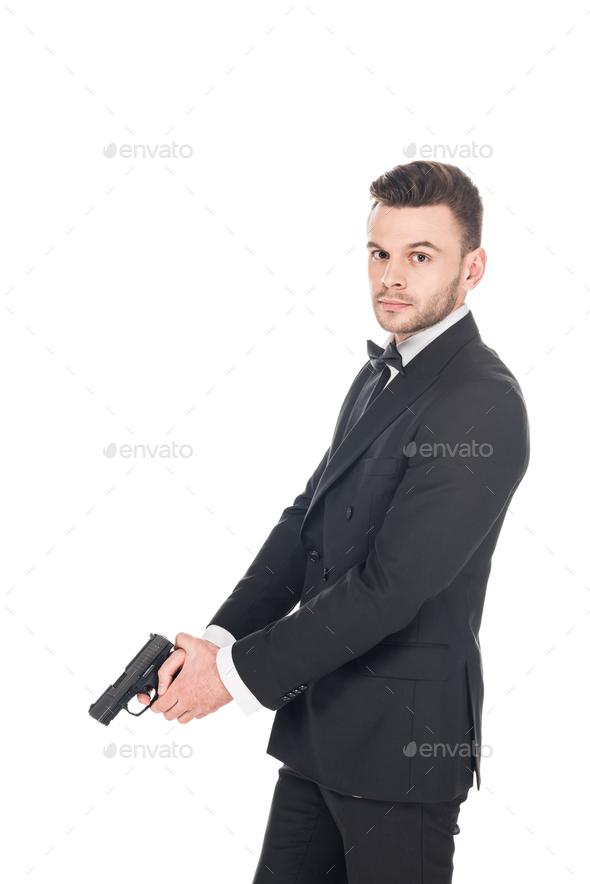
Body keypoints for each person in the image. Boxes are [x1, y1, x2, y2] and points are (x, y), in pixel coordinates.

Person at [138, 160, 530, 883]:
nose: (392, 276)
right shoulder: (380, 374)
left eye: (420, 256)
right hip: (319, 730)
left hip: (401, 751)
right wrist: (219, 638)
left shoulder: (483, 402)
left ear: (473, 269)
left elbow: (388, 587)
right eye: (380, 253)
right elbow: (306, 521)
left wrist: (232, 676)